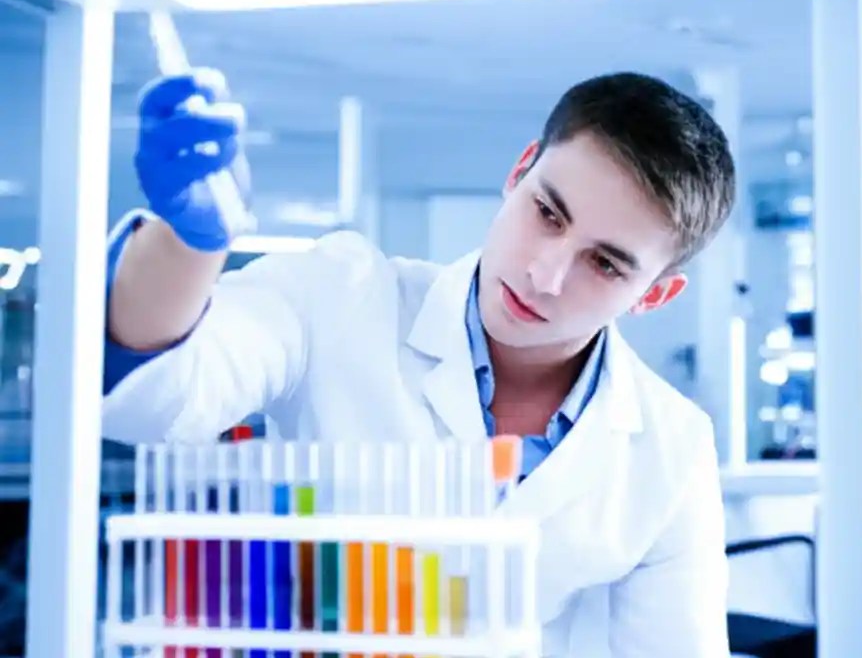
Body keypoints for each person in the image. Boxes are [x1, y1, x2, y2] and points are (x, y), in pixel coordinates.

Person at [100, 68, 737, 656]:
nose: (545, 275)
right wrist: (187, 246)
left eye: (604, 264)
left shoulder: (673, 447)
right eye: (547, 213)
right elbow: (158, 397)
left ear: (653, 295)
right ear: (520, 171)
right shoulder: (341, 294)